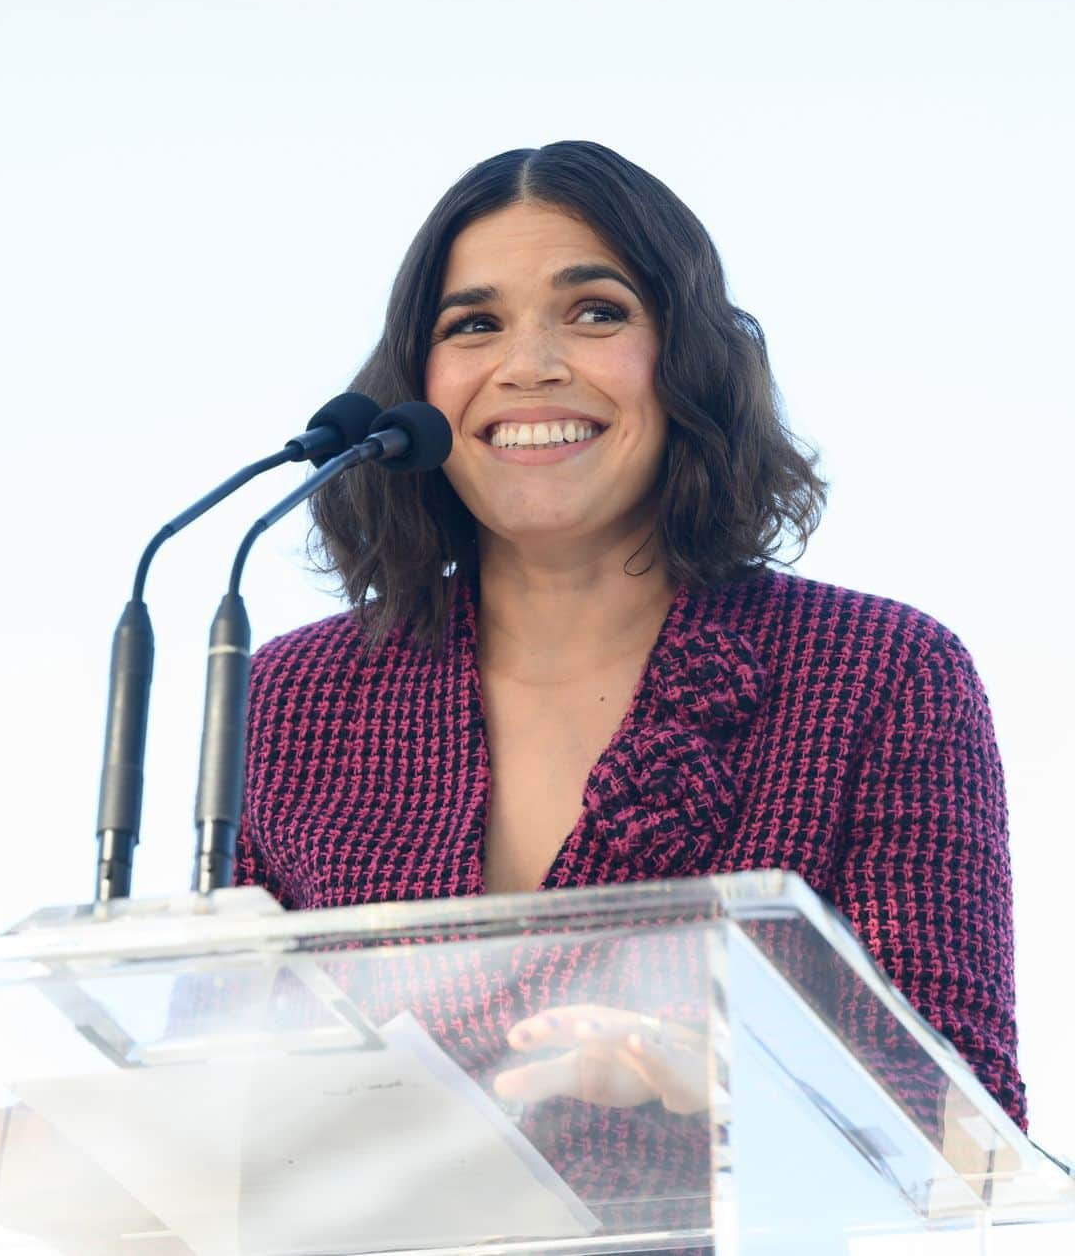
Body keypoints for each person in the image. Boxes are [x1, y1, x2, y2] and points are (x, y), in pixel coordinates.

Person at [236, 141, 1026, 1163]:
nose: (530, 365)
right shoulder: (298, 698)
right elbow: (221, 1094)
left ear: (686, 359)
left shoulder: (881, 672)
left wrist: (741, 1075)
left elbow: (975, 1128)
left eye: (595, 312)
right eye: (473, 325)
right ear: (415, 394)